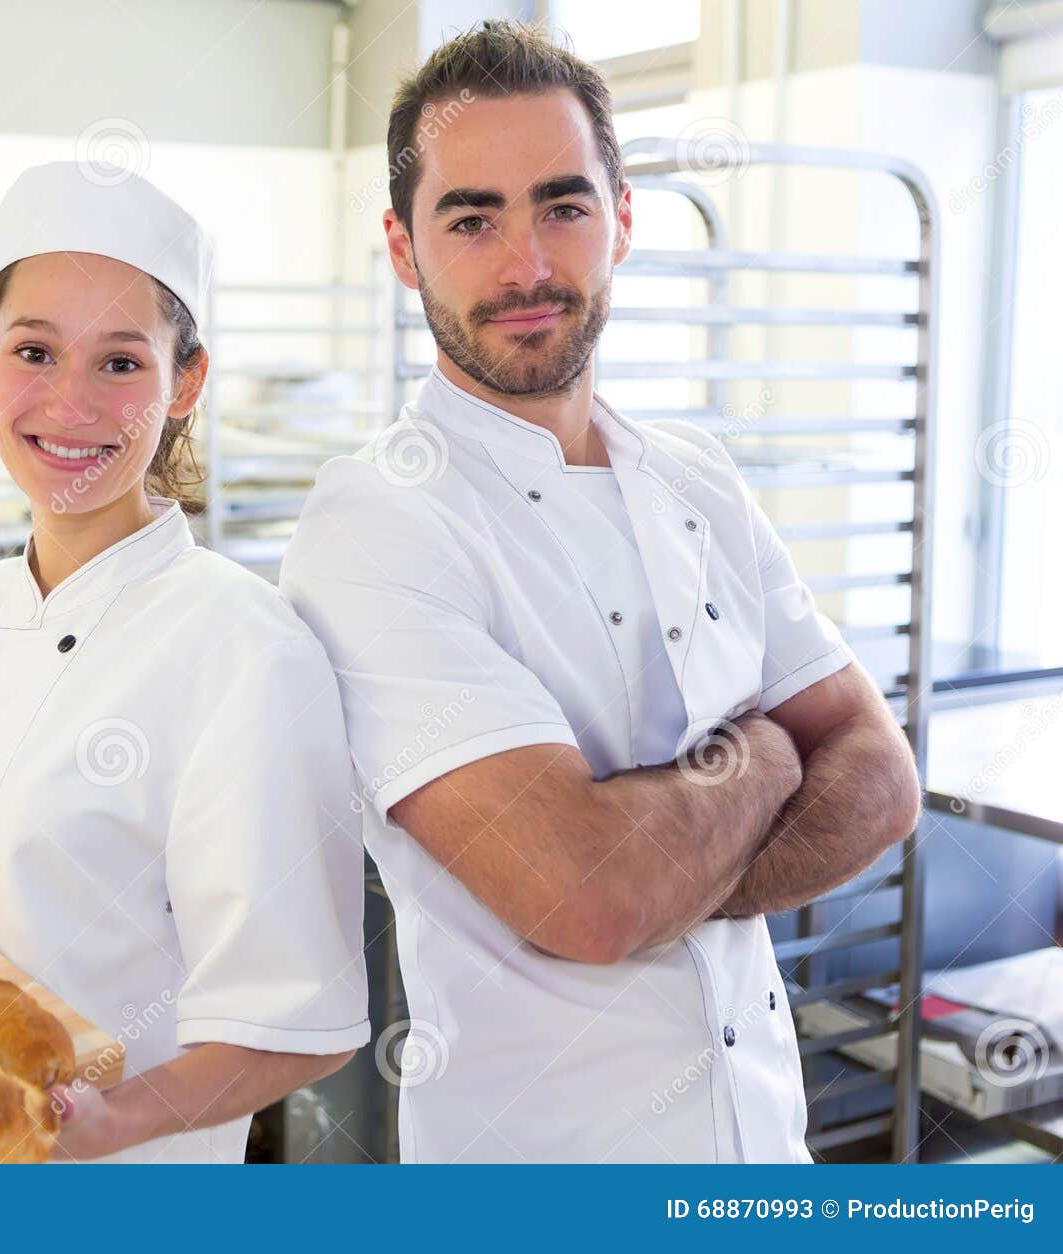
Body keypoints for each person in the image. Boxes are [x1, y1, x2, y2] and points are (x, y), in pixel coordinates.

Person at [278, 22, 922, 1163]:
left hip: (764, 1148)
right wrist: (768, 759)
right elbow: (589, 899)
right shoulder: (376, 522)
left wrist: (672, 862)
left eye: (562, 207)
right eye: (471, 218)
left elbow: (879, 777)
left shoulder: (695, 477)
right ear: (402, 246)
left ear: (622, 218)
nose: (525, 264)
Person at [0, 162, 370, 1163]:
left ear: (185, 383)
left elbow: (291, 1012)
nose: (69, 404)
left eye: (120, 363)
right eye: (35, 351)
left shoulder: (244, 646)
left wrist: (109, 1123)